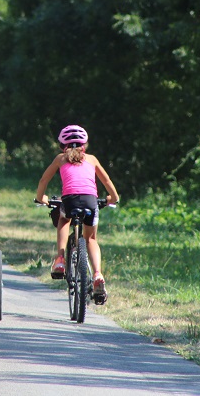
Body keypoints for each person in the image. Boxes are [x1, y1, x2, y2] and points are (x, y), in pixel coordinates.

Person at [35, 124, 119, 304]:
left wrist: (41, 197)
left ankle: (60, 259)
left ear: (61, 146)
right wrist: (113, 197)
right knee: (91, 239)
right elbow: (107, 180)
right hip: (90, 201)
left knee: (64, 220)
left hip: (70, 200)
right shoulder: (92, 159)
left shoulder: (60, 158)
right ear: (85, 145)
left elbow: (44, 179)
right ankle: (97, 274)